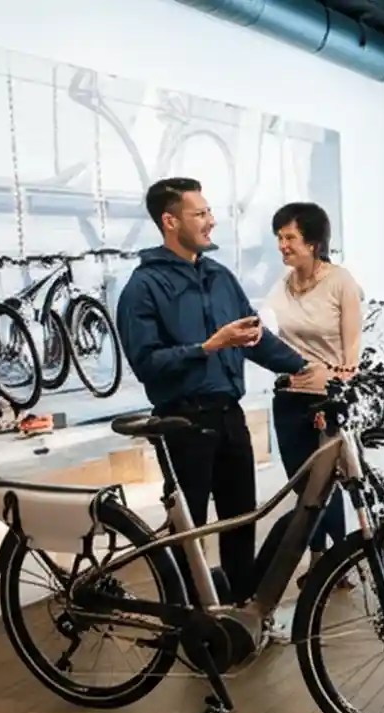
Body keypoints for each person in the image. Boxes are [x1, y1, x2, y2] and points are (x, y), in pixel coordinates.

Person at [116, 177, 322, 603]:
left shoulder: (219, 276)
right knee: (189, 532)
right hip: (182, 422)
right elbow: (147, 363)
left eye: (210, 212)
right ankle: (193, 622)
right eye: (200, 214)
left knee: (240, 521)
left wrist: (307, 367)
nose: (211, 222)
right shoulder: (143, 288)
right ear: (170, 221)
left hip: (230, 416)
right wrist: (207, 347)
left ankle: (241, 617)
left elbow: (254, 337)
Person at [257, 201, 363, 587]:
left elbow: (353, 356)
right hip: (288, 399)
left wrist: (331, 377)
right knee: (303, 487)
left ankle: (337, 559)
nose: (282, 245)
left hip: (329, 399)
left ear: (314, 242)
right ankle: (317, 557)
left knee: (328, 482)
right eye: (279, 238)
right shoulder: (280, 287)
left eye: (290, 238)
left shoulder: (341, 282)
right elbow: (265, 335)